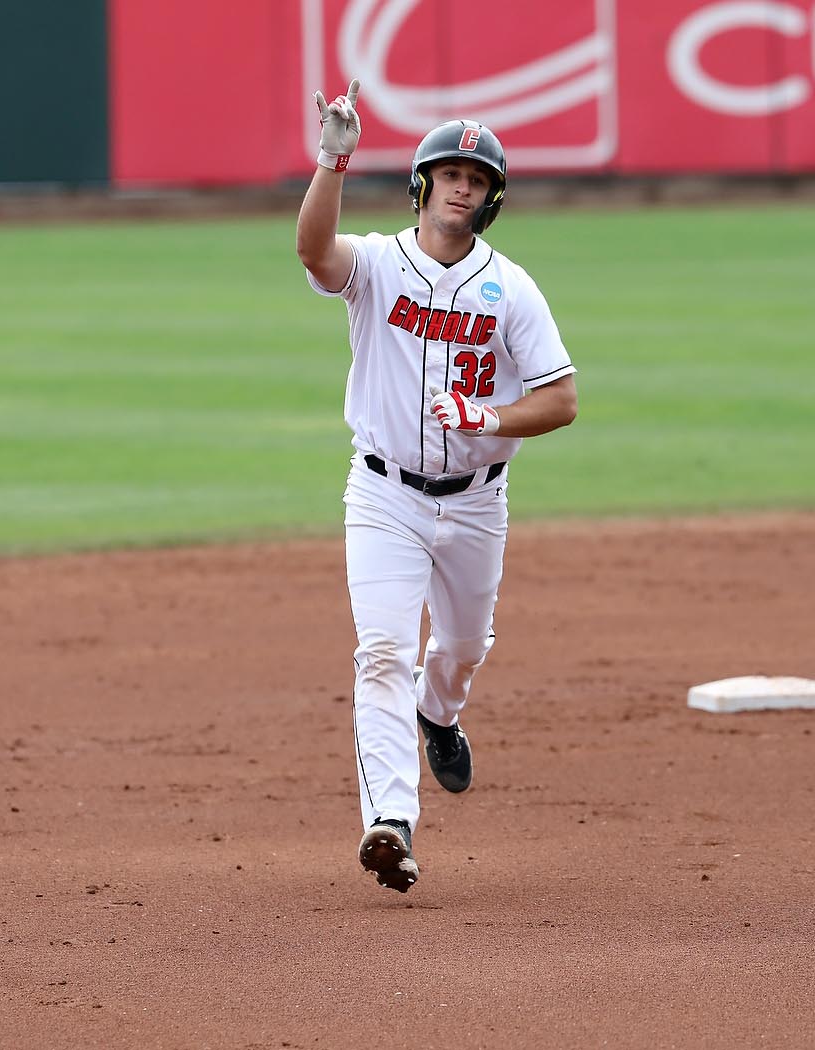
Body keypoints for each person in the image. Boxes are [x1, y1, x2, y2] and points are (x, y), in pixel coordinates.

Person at [296, 80, 579, 892]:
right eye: (450, 173)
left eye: (477, 180)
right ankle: (391, 821)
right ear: (423, 184)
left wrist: (487, 414)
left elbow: (561, 398)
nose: (462, 187)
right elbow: (315, 252)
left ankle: (440, 712)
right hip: (383, 496)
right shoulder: (377, 264)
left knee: (461, 648)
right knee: (383, 652)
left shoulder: (511, 288)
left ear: (492, 200)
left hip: (478, 501)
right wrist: (333, 161)